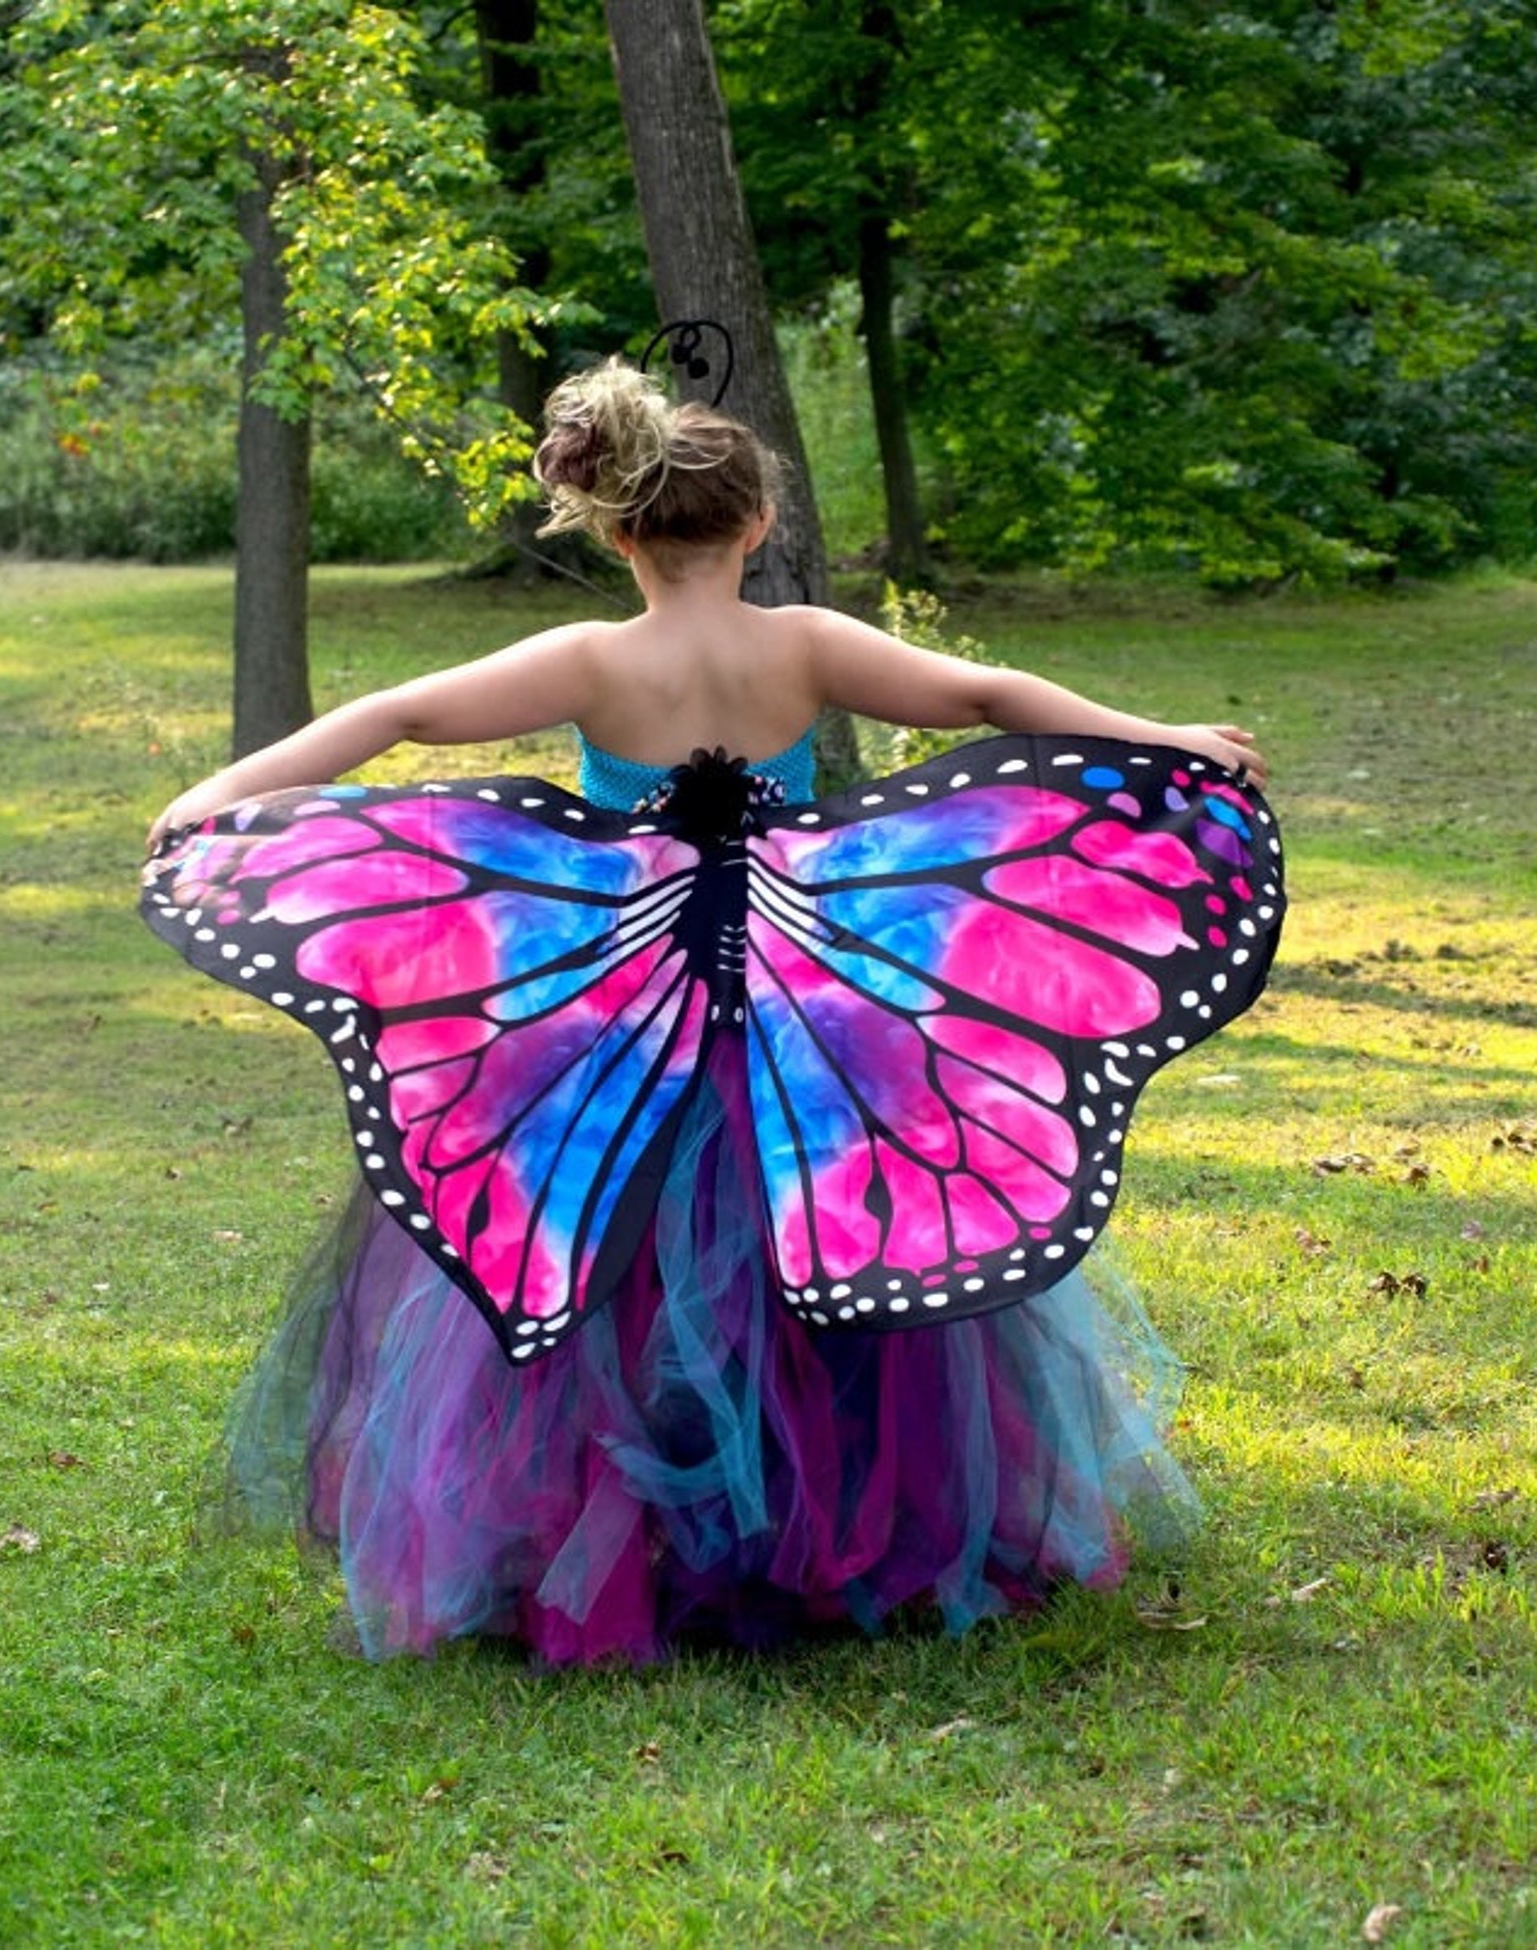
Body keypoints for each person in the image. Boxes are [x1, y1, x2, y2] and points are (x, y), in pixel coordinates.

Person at [143, 358, 1278, 1664]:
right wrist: (1165, 734)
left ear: (618, 526)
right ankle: (840, 1533)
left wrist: (224, 789)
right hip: (812, 1019)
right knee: (842, 1225)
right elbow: (986, 693)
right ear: (758, 525)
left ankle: (624, 1546)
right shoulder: (801, 644)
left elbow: (394, 716)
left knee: (608, 1251)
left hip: (621, 1016)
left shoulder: (588, 656)